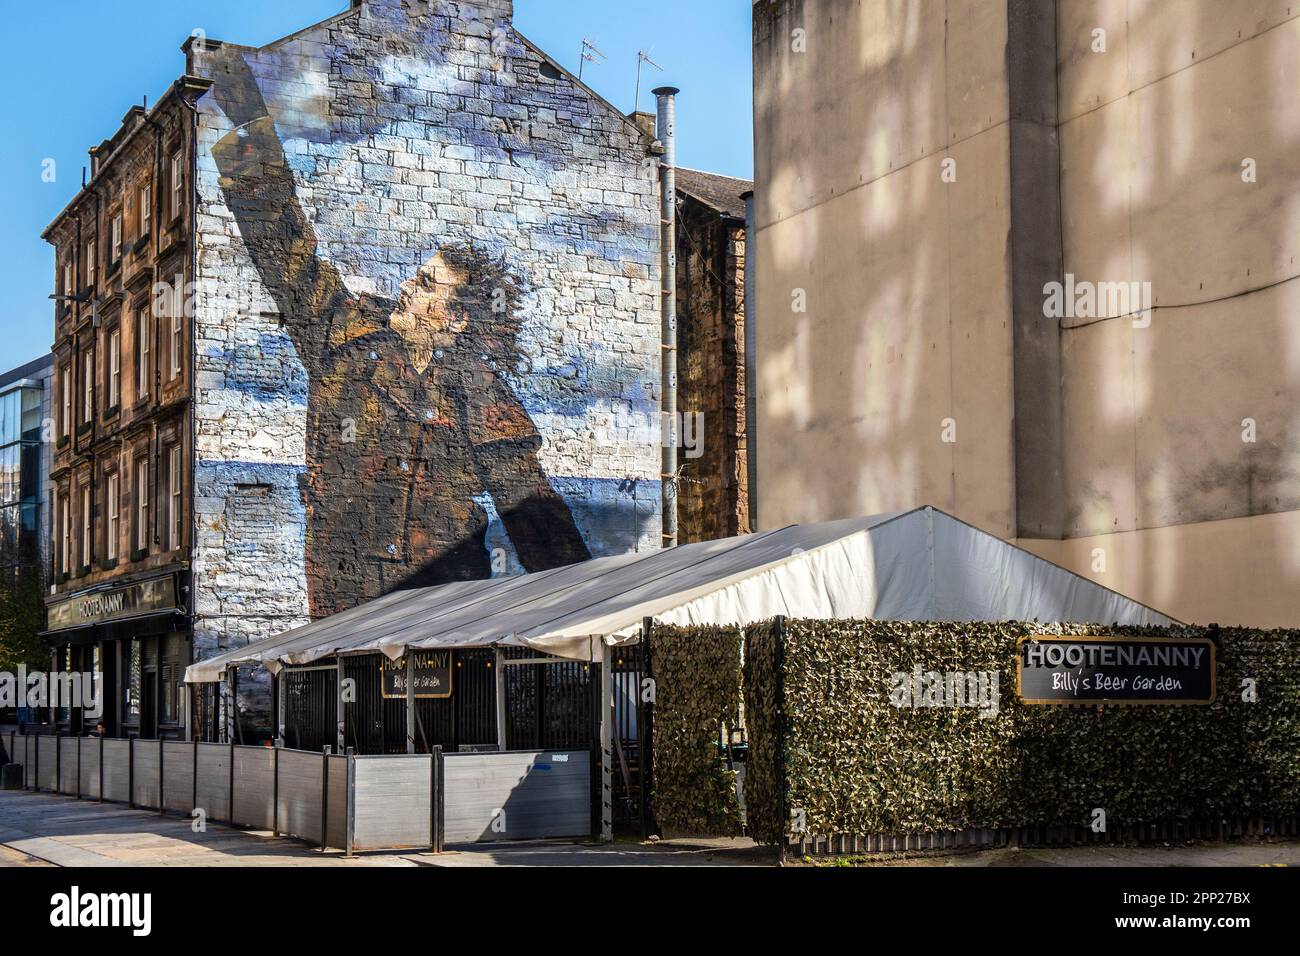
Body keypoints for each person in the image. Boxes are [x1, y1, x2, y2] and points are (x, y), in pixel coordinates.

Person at [208, 50, 592, 616]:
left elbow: (533, 513)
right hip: (341, 619)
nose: (406, 288)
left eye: (426, 284)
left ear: (456, 319)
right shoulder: (344, 333)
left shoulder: (479, 391)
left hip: (445, 626)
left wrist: (589, 617)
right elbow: (283, 247)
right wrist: (251, 126)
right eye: (413, 276)